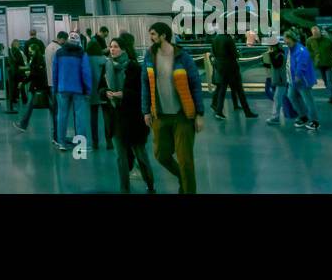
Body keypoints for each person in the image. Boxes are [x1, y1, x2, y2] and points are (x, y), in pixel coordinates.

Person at [142, 22, 203, 193]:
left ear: (163, 36)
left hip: (182, 116)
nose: (150, 38)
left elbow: (195, 85)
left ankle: (188, 189)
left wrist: (199, 114)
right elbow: (145, 84)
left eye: (153, 34)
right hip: (160, 116)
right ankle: (181, 178)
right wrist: (146, 110)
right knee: (161, 154)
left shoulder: (182, 57)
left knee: (186, 161)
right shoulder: (149, 56)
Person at [105, 33, 155, 193]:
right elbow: (100, 87)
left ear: (123, 49)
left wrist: (124, 94)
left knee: (140, 154)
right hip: (116, 118)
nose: (112, 49)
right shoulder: (107, 67)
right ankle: (124, 189)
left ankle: (150, 184)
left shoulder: (133, 67)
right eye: (111, 46)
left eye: (115, 47)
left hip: (133, 119)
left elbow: (141, 92)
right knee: (121, 157)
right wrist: (105, 92)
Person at [52, 32, 93, 151]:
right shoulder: (82, 54)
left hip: (62, 88)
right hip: (78, 89)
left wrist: (55, 88)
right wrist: (88, 90)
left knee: (62, 115)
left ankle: (62, 143)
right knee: (80, 116)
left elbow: (55, 72)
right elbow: (86, 72)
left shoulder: (59, 53)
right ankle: (81, 145)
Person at [13, 38, 55, 138]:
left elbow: (34, 74)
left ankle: (23, 125)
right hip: (44, 85)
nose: (29, 52)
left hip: (40, 86)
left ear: (34, 50)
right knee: (50, 106)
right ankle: (57, 124)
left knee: (36, 106)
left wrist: (23, 82)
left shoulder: (37, 60)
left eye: (30, 51)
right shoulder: (40, 59)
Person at [209, 32, 256, 118]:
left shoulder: (215, 39)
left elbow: (214, 53)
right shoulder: (228, 39)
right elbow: (235, 54)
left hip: (220, 68)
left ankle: (219, 111)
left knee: (222, 90)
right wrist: (238, 54)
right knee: (240, 90)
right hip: (231, 68)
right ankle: (247, 112)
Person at [286, 30, 320, 131]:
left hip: (302, 80)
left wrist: (298, 75)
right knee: (291, 96)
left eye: (287, 41)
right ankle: (303, 116)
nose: (286, 43)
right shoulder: (290, 49)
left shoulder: (301, 50)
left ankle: (315, 121)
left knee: (308, 100)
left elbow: (302, 64)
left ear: (293, 39)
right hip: (293, 80)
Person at [86, 36, 113, 148]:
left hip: (91, 92)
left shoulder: (86, 59)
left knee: (93, 117)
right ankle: (109, 141)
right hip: (103, 91)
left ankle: (95, 141)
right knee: (107, 116)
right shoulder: (105, 60)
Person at [308, 25, 332, 104]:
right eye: (314, 34)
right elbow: (308, 51)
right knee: (325, 81)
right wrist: (313, 57)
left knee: (329, 80)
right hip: (319, 64)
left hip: (329, 63)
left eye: (317, 33)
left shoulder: (327, 40)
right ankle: (330, 94)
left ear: (320, 32)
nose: (316, 35)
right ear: (312, 33)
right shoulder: (309, 41)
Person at [264, 39, 289, 124]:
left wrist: (270, 55)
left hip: (281, 81)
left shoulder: (280, 55)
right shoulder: (277, 55)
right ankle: (278, 116)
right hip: (279, 80)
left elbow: (276, 65)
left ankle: (276, 117)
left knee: (278, 98)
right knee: (278, 98)